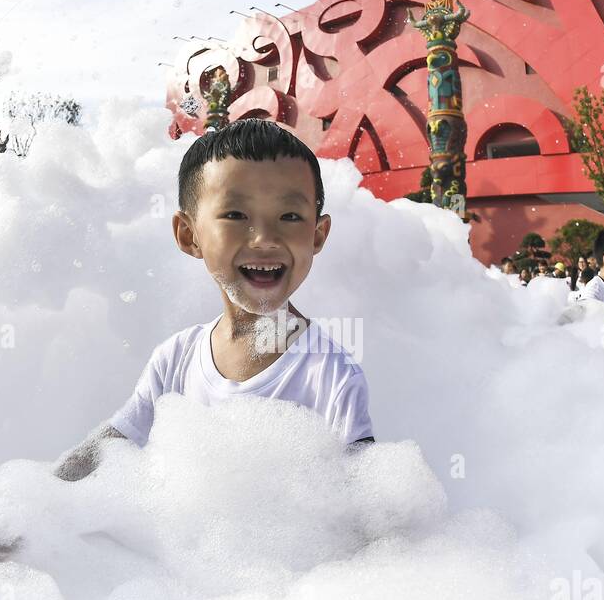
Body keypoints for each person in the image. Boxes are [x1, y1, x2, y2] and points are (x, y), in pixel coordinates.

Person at [53, 118, 373, 482]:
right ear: (189, 235)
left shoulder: (331, 376)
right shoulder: (175, 359)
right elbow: (109, 448)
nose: (264, 239)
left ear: (318, 235)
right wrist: (33, 502)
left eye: (290, 216)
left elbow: (366, 506)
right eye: (236, 215)